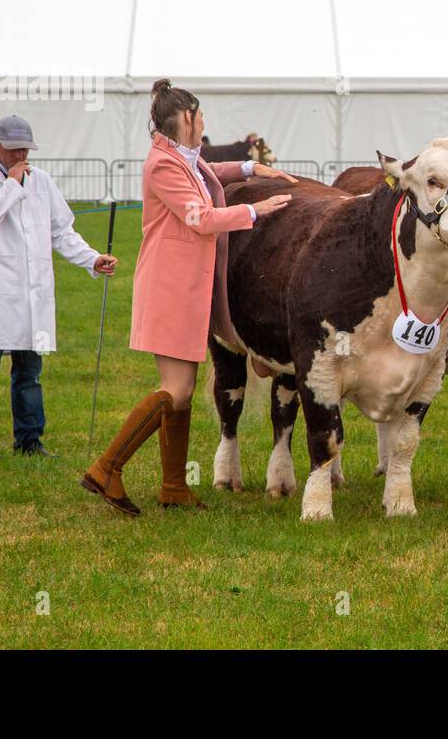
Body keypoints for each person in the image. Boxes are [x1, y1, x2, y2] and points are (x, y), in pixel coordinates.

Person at [82, 79, 294, 516]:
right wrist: (256, 211)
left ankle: (174, 487)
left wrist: (255, 171)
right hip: (170, 288)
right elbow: (199, 217)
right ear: (183, 119)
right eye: (197, 116)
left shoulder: (179, 157)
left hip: (180, 288)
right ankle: (107, 468)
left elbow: (213, 173)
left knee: (182, 386)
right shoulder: (163, 164)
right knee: (175, 391)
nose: (203, 124)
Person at [0, 115, 118, 458]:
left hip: (34, 293)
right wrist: (12, 185)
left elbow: (61, 231)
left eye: (25, 150)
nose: (21, 157)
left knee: (29, 373)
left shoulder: (42, 181)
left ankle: (30, 440)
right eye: (14, 149)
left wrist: (92, 258)